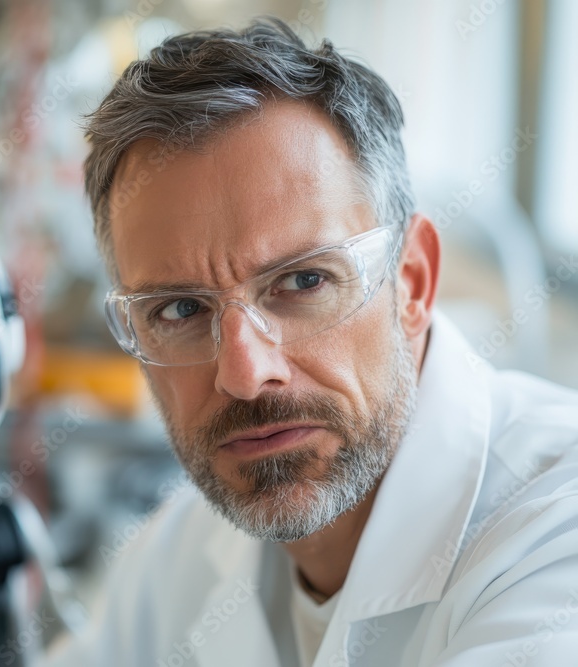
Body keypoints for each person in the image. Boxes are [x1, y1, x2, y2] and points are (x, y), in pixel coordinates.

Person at [43, 18, 578, 667]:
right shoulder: (180, 550)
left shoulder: (554, 532)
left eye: (302, 281)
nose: (244, 374)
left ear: (410, 282)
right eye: (180, 308)